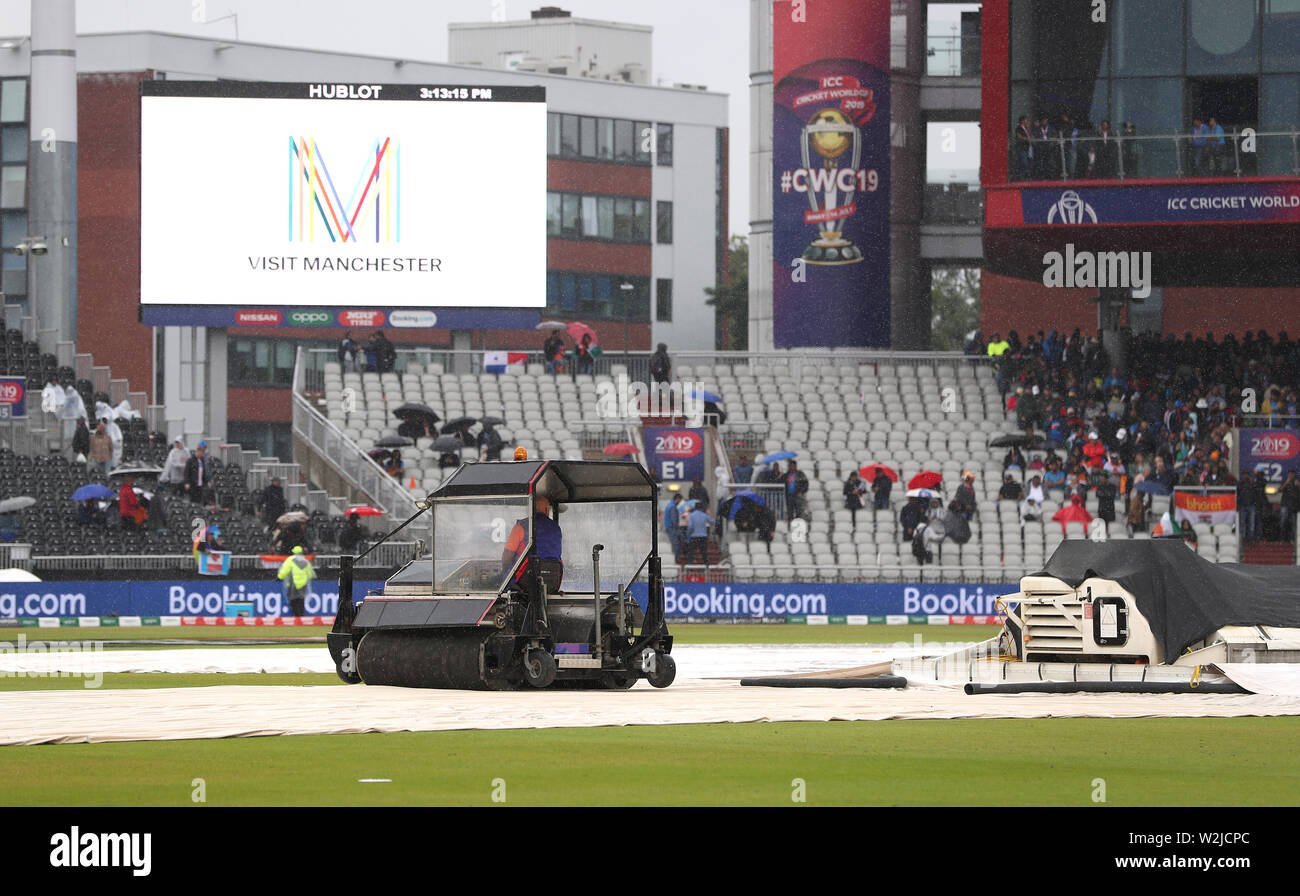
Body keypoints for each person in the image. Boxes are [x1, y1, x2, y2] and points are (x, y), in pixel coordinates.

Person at [502, 495, 564, 592]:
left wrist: (504, 572)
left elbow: (507, 556)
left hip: (524, 582)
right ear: (547, 510)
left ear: (530, 509)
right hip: (551, 582)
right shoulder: (556, 528)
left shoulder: (521, 526)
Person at [277, 545, 315, 618]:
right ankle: (301, 615)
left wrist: (279, 577)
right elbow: (310, 574)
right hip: (303, 584)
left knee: (293, 600)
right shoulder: (305, 561)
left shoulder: (290, 560)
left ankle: (296, 616)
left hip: (293, 584)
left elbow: (284, 570)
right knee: (301, 600)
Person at [684, 499, 713, 567]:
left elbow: (690, 526)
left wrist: (688, 533)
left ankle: (689, 566)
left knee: (691, 552)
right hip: (703, 536)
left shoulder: (691, 515)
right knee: (704, 553)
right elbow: (712, 522)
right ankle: (706, 566)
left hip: (694, 536)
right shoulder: (704, 515)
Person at [663, 493, 685, 560]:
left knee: (675, 542)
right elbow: (673, 518)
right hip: (672, 527)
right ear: (677, 499)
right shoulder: (673, 507)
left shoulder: (669, 505)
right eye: (680, 500)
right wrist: (676, 527)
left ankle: (676, 556)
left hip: (668, 526)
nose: (680, 502)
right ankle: (676, 557)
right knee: (677, 541)